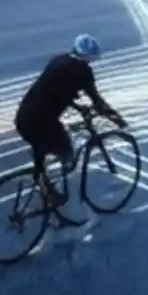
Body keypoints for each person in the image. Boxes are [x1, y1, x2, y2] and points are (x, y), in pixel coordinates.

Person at [15, 34, 127, 206]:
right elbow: (97, 101)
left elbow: (55, 91)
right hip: (41, 122)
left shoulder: (58, 60)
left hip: (23, 116)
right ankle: (50, 191)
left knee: (46, 142)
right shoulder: (83, 72)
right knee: (66, 151)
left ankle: (43, 180)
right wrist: (115, 118)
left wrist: (78, 107)